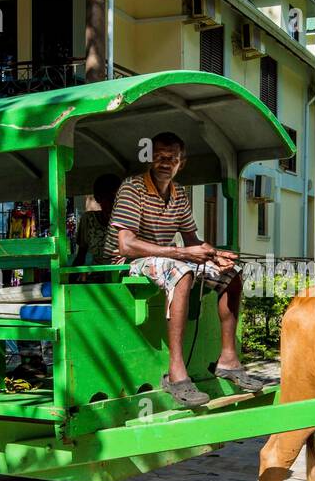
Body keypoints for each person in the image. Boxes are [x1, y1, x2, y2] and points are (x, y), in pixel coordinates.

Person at [105, 132, 264, 407]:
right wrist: (182, 253)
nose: (166, 162)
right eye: (160, 156)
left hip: (164, 259)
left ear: (182, 163)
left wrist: (215, 254)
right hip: (126, 264)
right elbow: (126, 246)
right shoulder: (133, 188)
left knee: (232, 274)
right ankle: (176, 373)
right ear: (149, 157)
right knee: (181, 271)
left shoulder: (179, 194)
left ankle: (227, 359)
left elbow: (192, 241)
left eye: (173, 158)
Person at [78, 173, 121, 264]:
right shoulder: (88, 220)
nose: (113, 203)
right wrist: (71, 277)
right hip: (98, 275)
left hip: (126, 275)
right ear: (98, 198)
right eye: (108, 198)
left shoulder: (130, 219)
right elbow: (81, 255)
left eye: (117, 198)